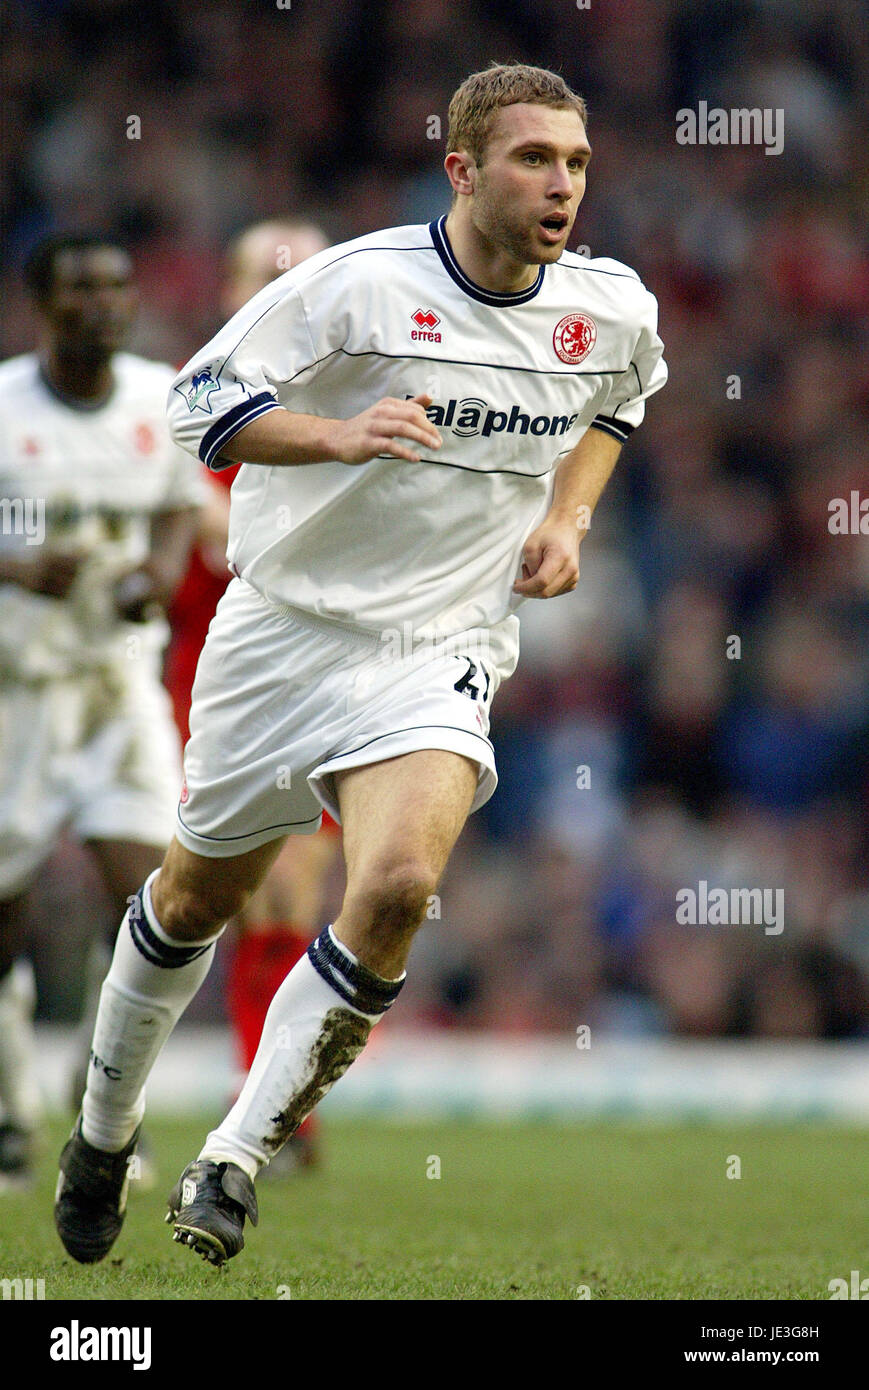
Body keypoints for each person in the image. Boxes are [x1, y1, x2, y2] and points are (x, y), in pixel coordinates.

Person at [55, 62, 666, 1266]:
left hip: (437, 645)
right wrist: (336, 433)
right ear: (462, 169)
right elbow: (198, 399)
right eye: (533, 159)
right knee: (194, 899)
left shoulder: (610, 309)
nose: (560, 185)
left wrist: (569, 519)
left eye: (576, 163)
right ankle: (100, 1129)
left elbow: (619, 400)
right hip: (282, 632)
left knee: (390, 890)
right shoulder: (354, 287)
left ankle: (230, 1159)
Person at [0, 235, 203, 1186]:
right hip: (20, 686)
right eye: (82, 287)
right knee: (6, 915)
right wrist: (17, 566)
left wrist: (159, 574)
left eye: (118, 285)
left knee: (151, 900)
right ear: (43, 302)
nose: (105, 302)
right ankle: (8, 1110)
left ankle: (108, 1119)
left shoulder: (156, 399)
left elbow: (178, 502)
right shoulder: (4, 408)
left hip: (121, 682)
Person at [164, 219, 340, 1171]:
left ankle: (273, 1113)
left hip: (316, 689)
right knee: (184, 901)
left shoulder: (348, 402)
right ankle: (106, 1083)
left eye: (302, 273)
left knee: (283, 902)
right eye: (264, 273)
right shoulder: (190, 414)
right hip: (186, 698)